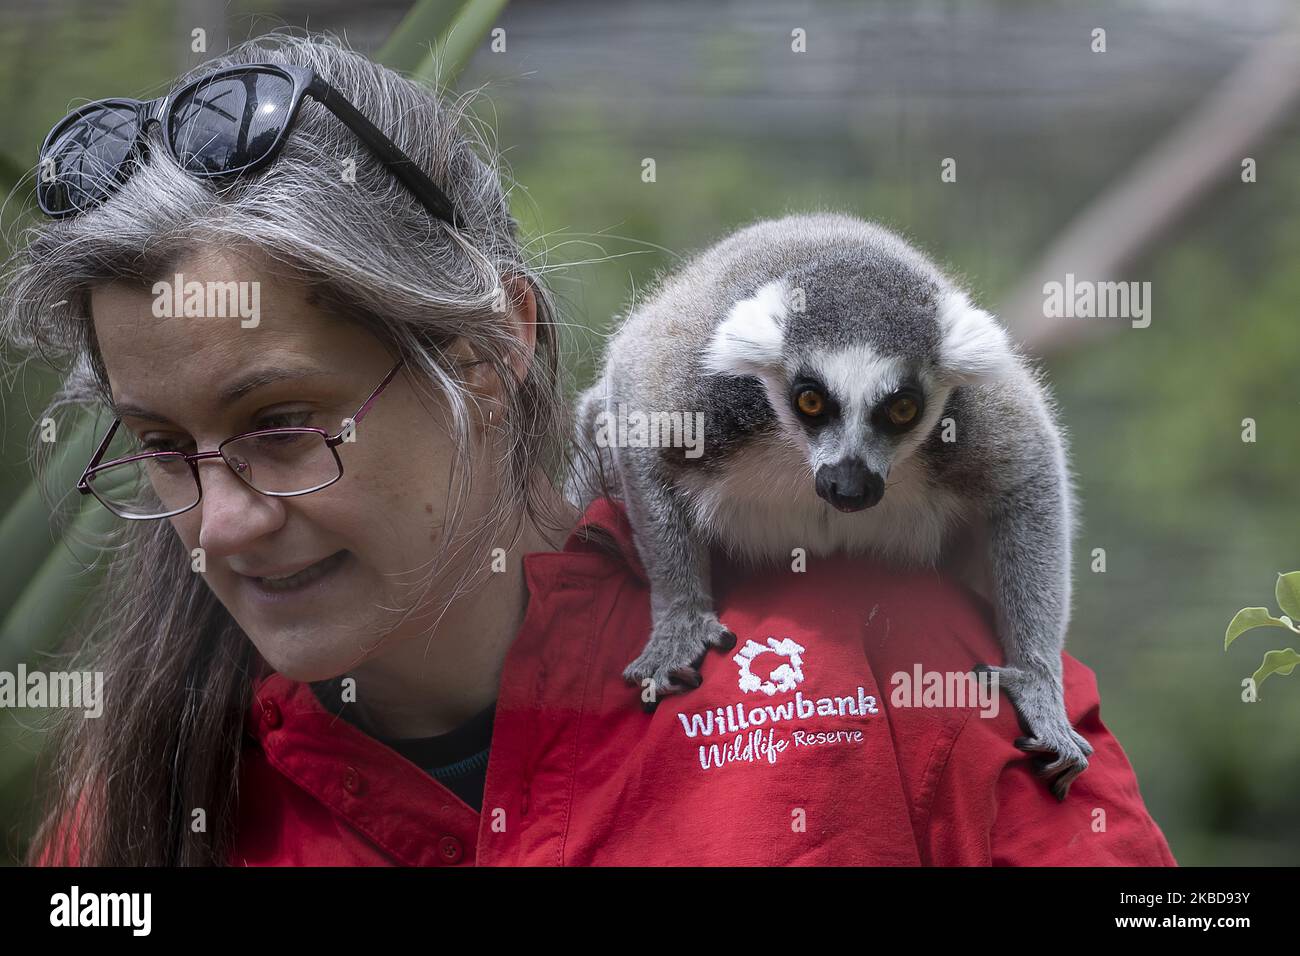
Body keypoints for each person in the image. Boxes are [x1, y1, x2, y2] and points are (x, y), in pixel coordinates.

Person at [4, 32, 1175, 867]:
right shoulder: (151, 811)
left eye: (282, 427)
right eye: (164, 445)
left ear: (491, 347)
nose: (219, 523)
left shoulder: (892, 666)